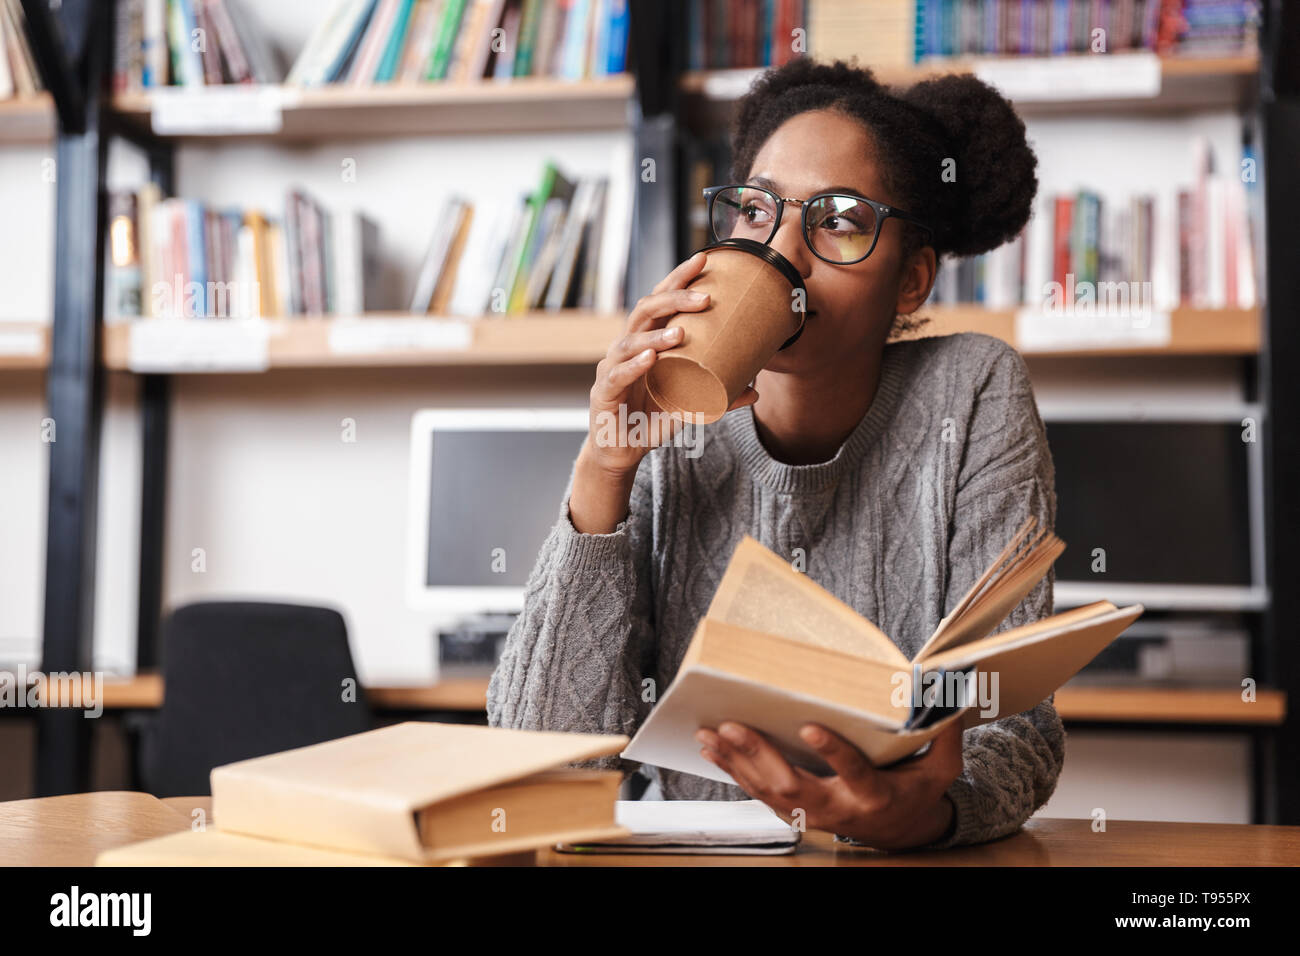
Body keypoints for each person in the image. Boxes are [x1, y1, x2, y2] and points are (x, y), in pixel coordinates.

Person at [487, 57, 1060, 851]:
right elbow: (539, 762)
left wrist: (925, 815)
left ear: (912, 280)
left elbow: (1013, 723)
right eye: (755, 211)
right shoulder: (672, 413)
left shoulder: (971, 390)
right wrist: (603, 470)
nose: (782, 253)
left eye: (839, 222)